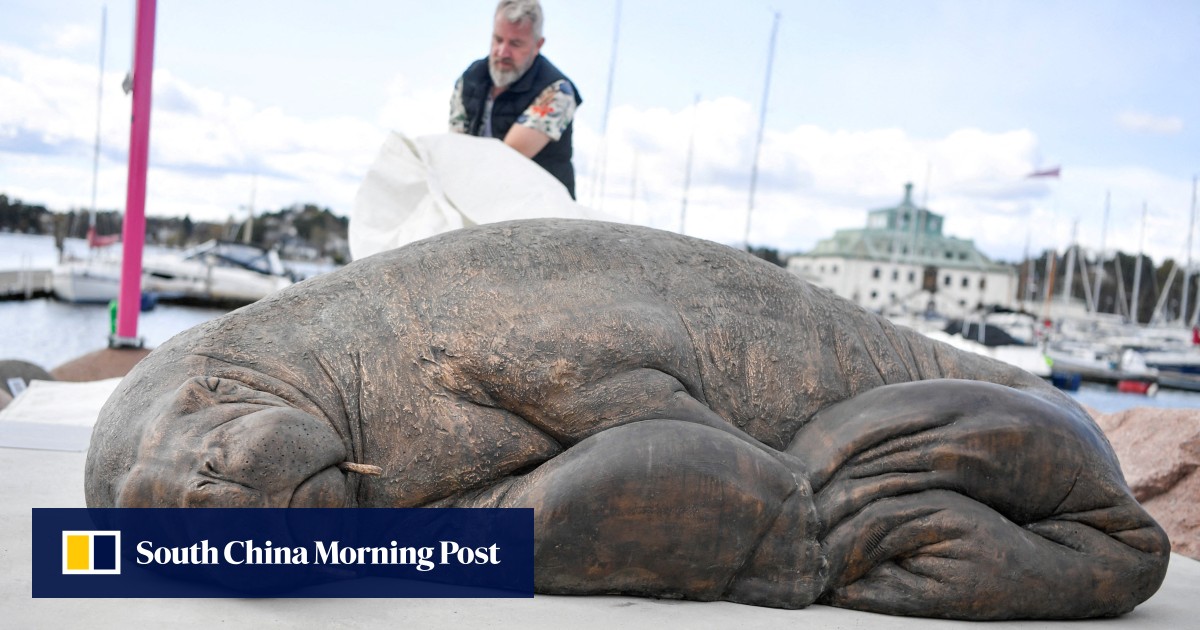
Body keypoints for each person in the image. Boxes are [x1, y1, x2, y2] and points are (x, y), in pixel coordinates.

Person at [450, 0, 582, 198]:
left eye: (515, 43)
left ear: (538, 45)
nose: (503, 52)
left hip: (543, 208)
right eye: (498, 39)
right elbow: (455, 148)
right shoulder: (470, 79)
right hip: (479, 198)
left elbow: (508, 159)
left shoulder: (557, 91)